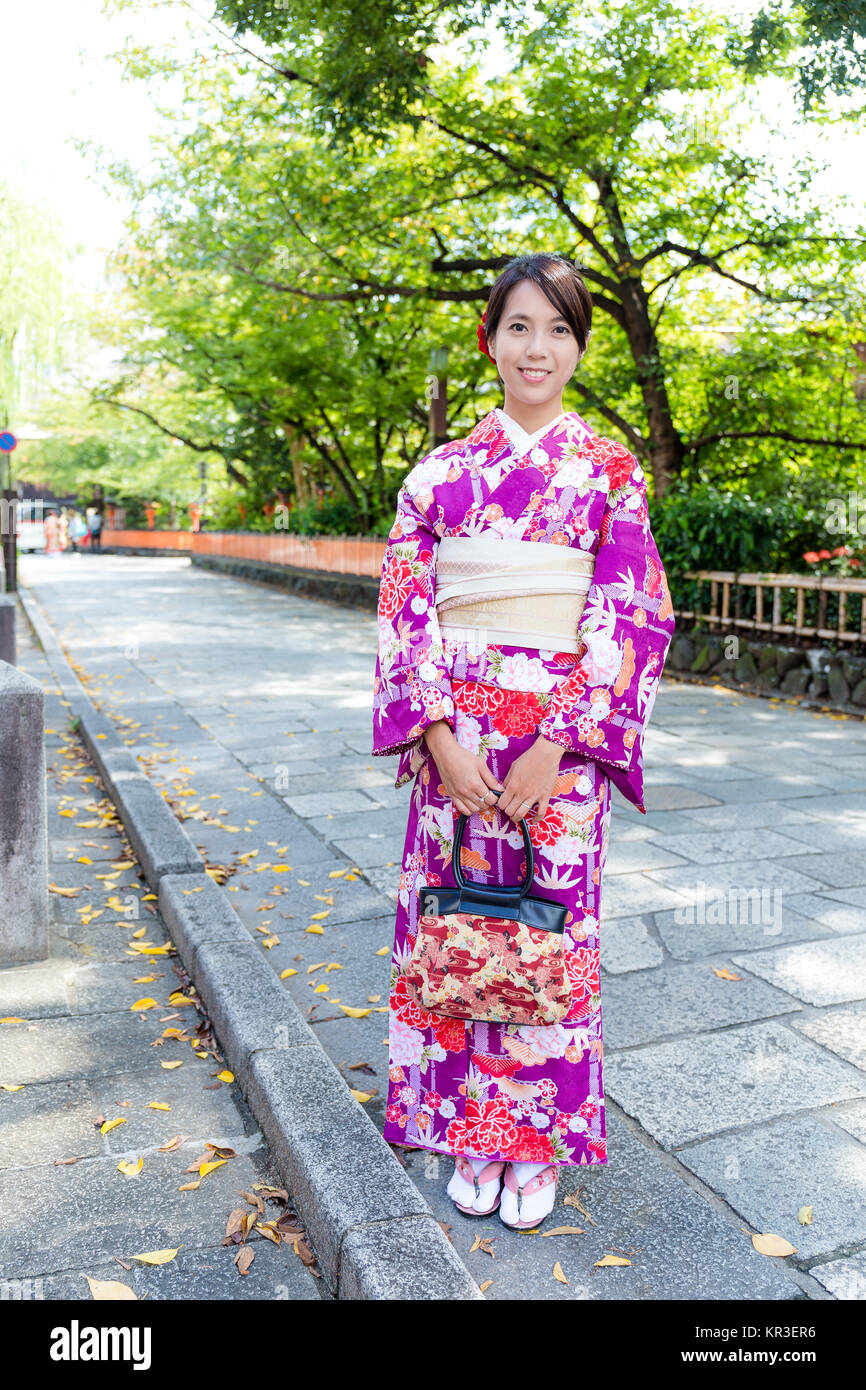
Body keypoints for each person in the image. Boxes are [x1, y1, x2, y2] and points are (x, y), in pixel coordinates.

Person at [371, 253, 676, 1231]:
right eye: (517, 327)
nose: (535, 347)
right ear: (488, 341)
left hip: (559, 754)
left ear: (578, 347)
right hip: (452, 743)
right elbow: (402, 610)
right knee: (458, 930)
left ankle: (534, 1143)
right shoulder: (438, 476)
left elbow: (630, 611)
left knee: (546, 938)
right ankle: (468, 1130)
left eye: (555, 329)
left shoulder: (608, 476)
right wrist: (431, 734)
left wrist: (566, 739)